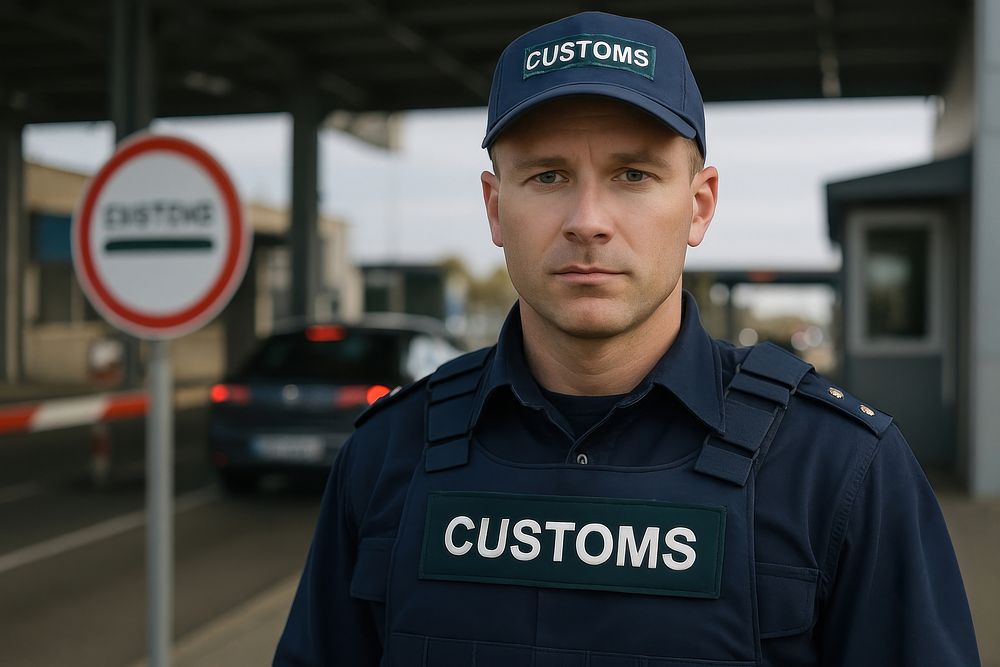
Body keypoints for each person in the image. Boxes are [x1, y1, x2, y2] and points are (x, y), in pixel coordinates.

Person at [274, 11, 980, 666]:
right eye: (548, 175)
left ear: (698, 205)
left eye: (633, 175)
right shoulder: (384, 456)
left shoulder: (841, 472)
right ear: (496, 208)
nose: (589, 219)